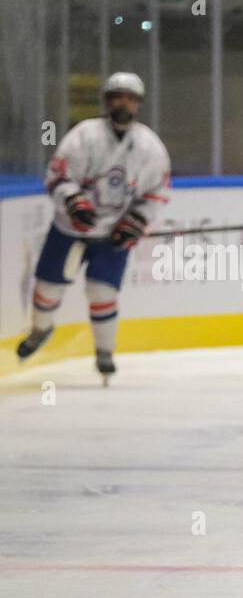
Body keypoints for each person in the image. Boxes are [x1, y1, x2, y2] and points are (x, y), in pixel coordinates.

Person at [16, 71, 171, 384]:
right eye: (117, 97)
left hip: (112, 234)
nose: (123, 103)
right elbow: (58, 177)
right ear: (106, 101)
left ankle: (104, 352)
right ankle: (41, 329)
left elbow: (156, 194)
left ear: (138, 104)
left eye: (129, 98)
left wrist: (135, 222)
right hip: (69, 229)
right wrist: (73, 202)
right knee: (47, 289)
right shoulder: (83, 136)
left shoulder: (150, 147)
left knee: (101, 291)